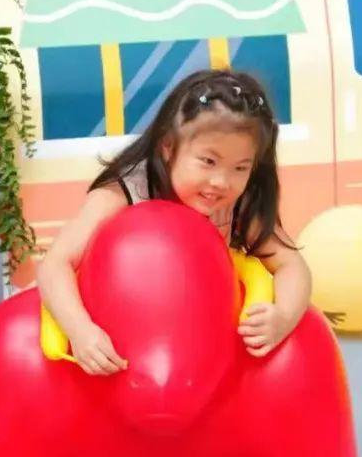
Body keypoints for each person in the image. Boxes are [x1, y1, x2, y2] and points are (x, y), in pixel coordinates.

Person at [37, 69, 312, 376]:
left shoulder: (237, 204)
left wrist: (283, 316)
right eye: (208, 161)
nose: (221, 181)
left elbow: (292, 265)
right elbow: (55, 263)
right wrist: (80, 330)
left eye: (240, 168)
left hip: (197, 339)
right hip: (124, 328)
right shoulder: (125, 192)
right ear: (168, 147)